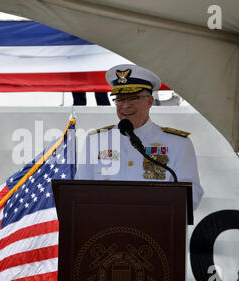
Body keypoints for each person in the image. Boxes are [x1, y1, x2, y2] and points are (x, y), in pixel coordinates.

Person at [75, 64, 204, 211]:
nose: (125, 106)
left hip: (153, 229)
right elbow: (80, 193)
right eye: (120, 100)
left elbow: (191, 196)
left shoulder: (178, 143)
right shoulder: (95, 141)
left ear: (149, 102)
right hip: (105, 229)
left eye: (132, 99)